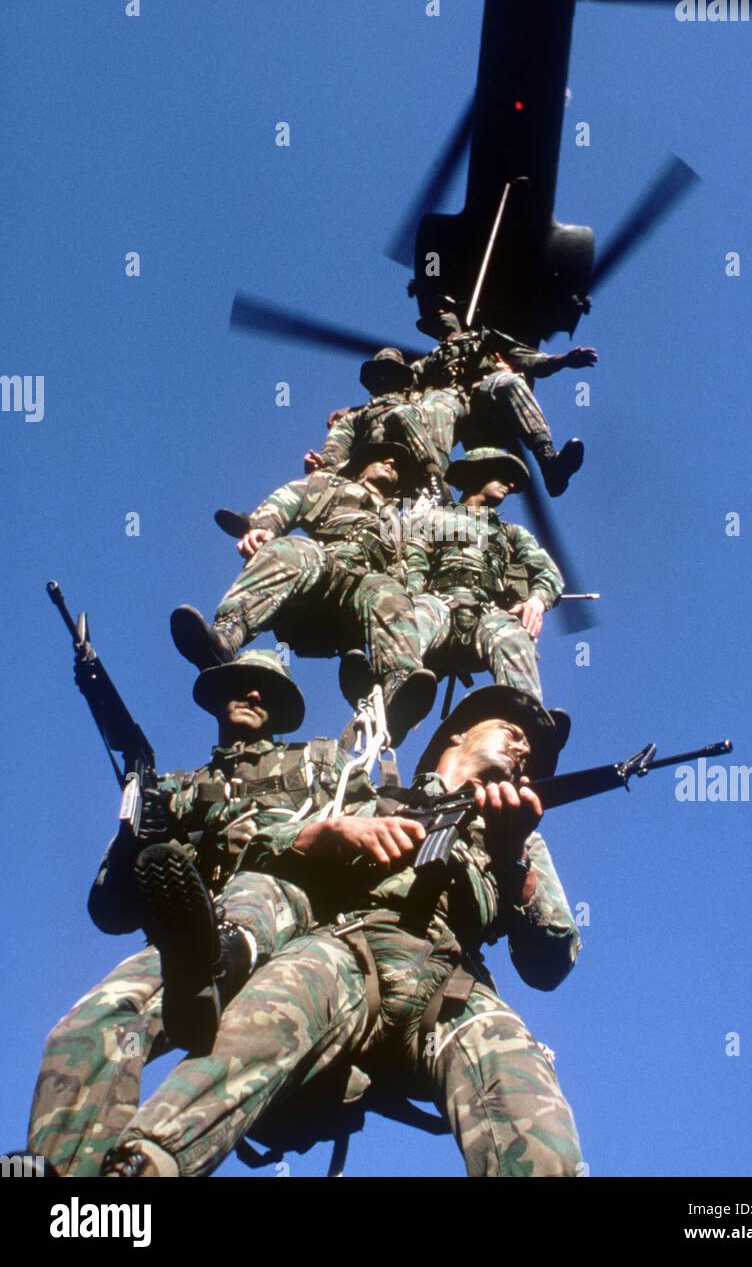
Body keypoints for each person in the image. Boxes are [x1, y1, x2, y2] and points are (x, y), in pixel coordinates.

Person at [97, 687, 582, 1178]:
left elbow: (550, 962)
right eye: (514, 734)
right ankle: (141, 1169)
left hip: (453, 985)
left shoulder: (523, 839)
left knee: (530, 1108)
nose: (524, 753)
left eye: (531, 754)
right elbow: (265, 847)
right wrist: (331, 834)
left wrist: (511, 857)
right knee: (250, 1035)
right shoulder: (362, 793)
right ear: (458, 732)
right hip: (350, 949)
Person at [27, 649, 375, 1178]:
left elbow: (370, 837)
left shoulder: (320, 762)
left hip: (285, 909)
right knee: (89, 1024)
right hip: (190, 925)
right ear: (216, 695)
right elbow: (109, 910)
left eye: (268, 689)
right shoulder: (177, 790)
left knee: (253, 893)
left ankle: (217, 960)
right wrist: (135, 832)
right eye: (242, 682)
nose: (254, 694)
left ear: (281, 708)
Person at [170, 442, 437, 745]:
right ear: (361, 465)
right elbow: (289, 499)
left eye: (398, 464)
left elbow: (416, 562)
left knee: (390, 593)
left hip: (367, 585)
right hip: (325, 567)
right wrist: (263, 527)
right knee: (291, 549)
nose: (390, 462)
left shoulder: (404, 518)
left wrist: (414, 594)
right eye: (380, 458)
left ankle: (397, 689)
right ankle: (225, 636)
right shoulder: (330, 485)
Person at [407, 447, 563, 701]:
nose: (510, 485)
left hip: (486, 611)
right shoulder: (432, 518)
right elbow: (413, 559)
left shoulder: (511, 533)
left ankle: (524, 723)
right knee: (410, 622)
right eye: (503, 476)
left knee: (515, 640)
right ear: (479, 472)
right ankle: (393, 698)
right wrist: (408, 596)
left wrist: (537, 599)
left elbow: (548, 572)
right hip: (438, 602)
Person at [413, 296, 598, 497]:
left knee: (509, 380)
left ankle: (549, 464)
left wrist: (564, 360)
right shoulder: (429, 360)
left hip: (482, 399)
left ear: (459, 316)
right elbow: (409, 388)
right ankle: (432, 481)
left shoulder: (485, 339)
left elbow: (527, 358)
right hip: (449, 405)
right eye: (437, 314)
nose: (441, 315)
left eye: (446, 311)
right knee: (437, 406)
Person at [304, 347, 465, 504]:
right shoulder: (355, 417)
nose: (384, 378)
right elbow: (336, 447)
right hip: (372, 465)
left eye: (391, 373)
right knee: (325, 476)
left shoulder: (416, 401)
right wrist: (322, 463)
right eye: (379, 374)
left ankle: (434, 482)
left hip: (411, 461)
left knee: (406, 412)